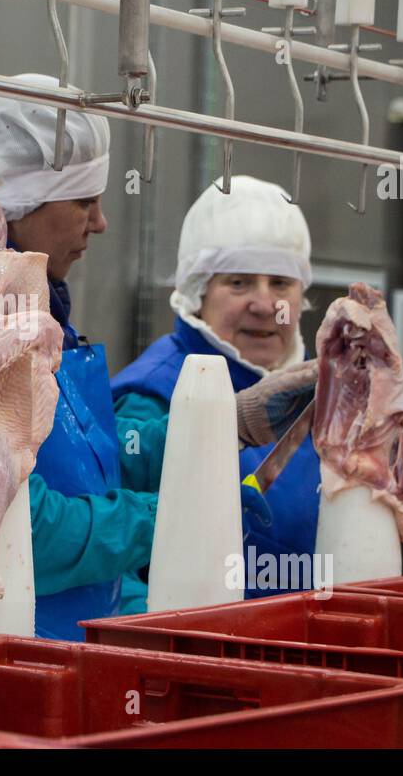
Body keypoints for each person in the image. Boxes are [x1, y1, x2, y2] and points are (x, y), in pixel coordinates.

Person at [0, 76, 312, 648]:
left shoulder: (24, 294)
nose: (100, 224)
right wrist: (174, 511)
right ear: (18, 202)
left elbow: (78, 454)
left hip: (20, 641)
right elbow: (13, 516)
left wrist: (221, 428)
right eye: (83, 202)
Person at [112, 175, 319, 603]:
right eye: (239, 283)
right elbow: (116, 572)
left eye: (281, 283)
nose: (265, 306)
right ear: (197, 293)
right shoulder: (152, 397)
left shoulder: (317, 393)